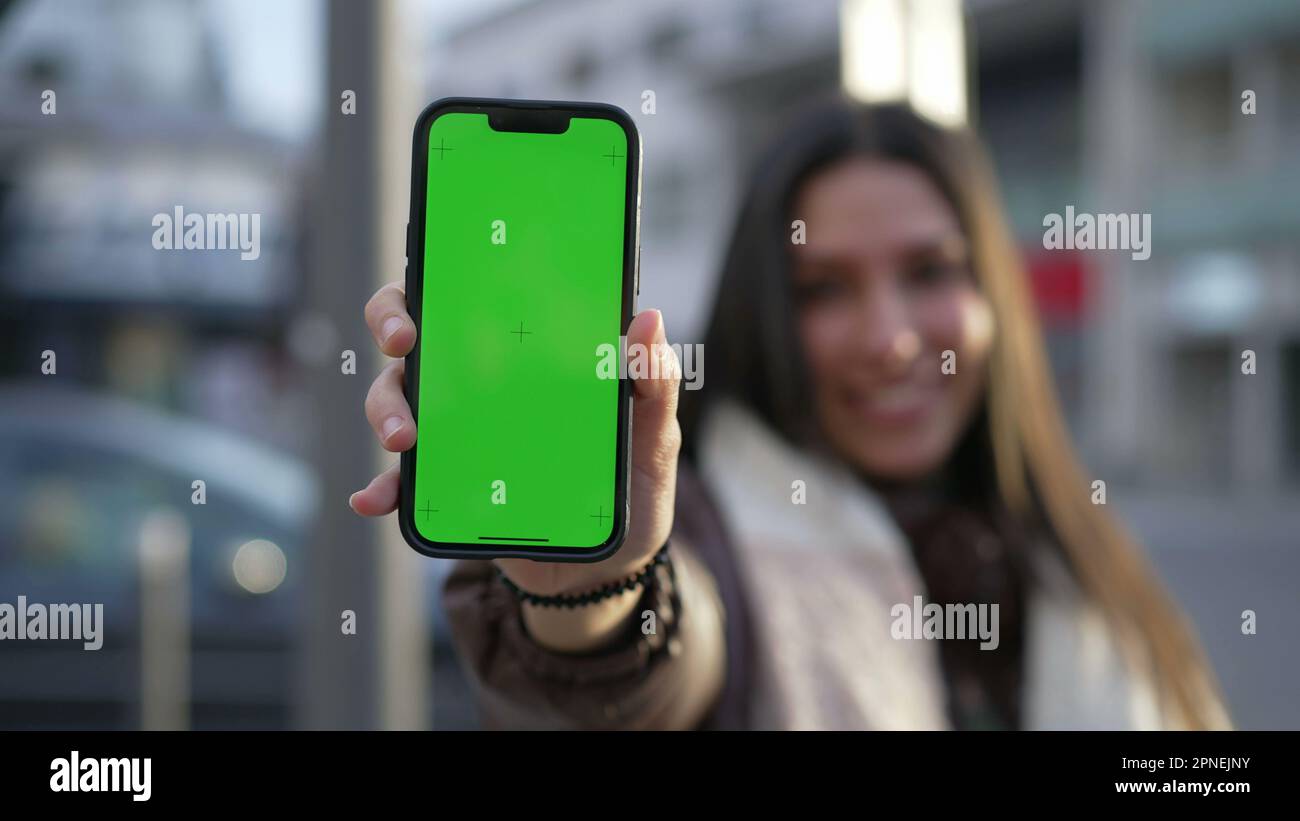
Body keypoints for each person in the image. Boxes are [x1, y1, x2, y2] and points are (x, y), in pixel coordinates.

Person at [350, 97, 1231, 730]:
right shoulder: (698, 523)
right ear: (762, 311)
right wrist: (592, 592)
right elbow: (652, 667)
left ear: (992, 289)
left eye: (927, 271)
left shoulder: (1073, 544)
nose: (888, 339)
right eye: (824, 289)